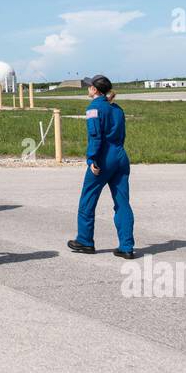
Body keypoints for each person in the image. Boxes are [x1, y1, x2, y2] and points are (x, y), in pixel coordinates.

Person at [67, 75, 135, 258]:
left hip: (104, 157)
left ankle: (85, 240)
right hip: (121, 156)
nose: (87, 88)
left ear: (95, 90)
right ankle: (127, 246)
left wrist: (92, 160)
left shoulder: (93, 108)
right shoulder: (117, 109)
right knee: (122, 202)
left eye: (89, 86)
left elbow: (95, 136)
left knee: (88, 198)